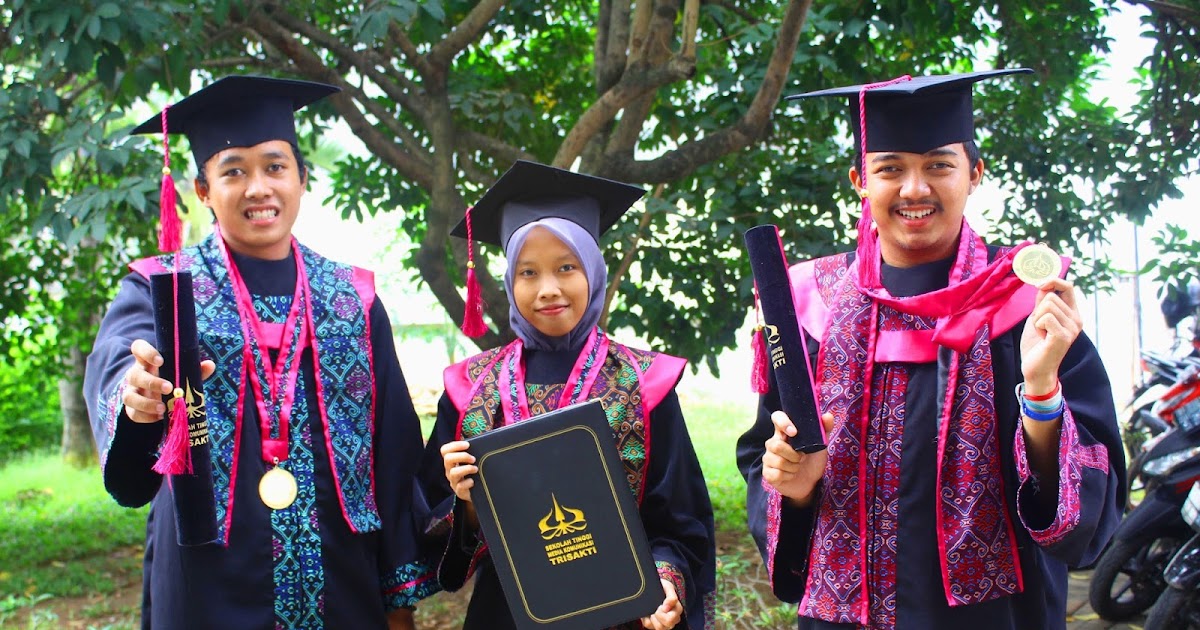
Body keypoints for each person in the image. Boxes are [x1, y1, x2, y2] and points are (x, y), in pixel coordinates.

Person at [736, 70, 1126, 629]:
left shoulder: (1026, 309)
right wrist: (792, 491)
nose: (914, 189)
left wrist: (1041, 394)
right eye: (890, 168)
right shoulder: (807, 308)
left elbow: (1090, 501)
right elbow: (764, 456)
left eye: (938, 166)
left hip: (993, 615)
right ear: (859, 180)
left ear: (975, 174)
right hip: (843, 615)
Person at [83, 75, 438, 629]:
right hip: (208, 574)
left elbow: (391, 452)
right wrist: (135, 400)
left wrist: (399, 596)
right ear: (202, 190)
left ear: (301, 178)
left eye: (275, 166)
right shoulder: (162, 290)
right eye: (233, 171)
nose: (258, 188)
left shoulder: (352, 298)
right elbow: (116, 371)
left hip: (342, 572)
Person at [418, 160, 717, 630]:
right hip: (509, 615)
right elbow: (432, 521)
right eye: (528, 272)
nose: (548, 289)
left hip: (623, 612)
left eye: (566, 267)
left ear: (593, 270)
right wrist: (468, 505)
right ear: (509, 282)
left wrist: (665, 581)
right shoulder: (471, 391)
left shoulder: (644, 383)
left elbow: (680, 522)